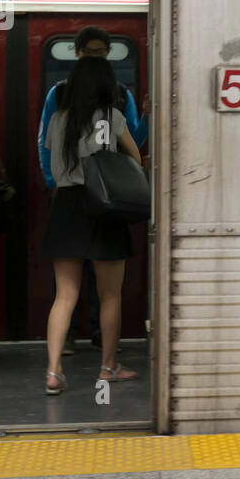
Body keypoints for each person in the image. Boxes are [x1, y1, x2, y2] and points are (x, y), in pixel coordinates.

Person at [38, 26, 149, 355]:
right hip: (104, 201)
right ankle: (107, 362)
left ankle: (54, 369)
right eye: (92, 52)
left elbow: (47, 145)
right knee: (109, 290)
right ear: (79, 53)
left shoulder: (60, 109)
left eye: (100, 51)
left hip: (71, 201)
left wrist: (57, 182)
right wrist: (50, 183)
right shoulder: (112, 105)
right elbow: (132, 148)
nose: (96, 57)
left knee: (65, 290)